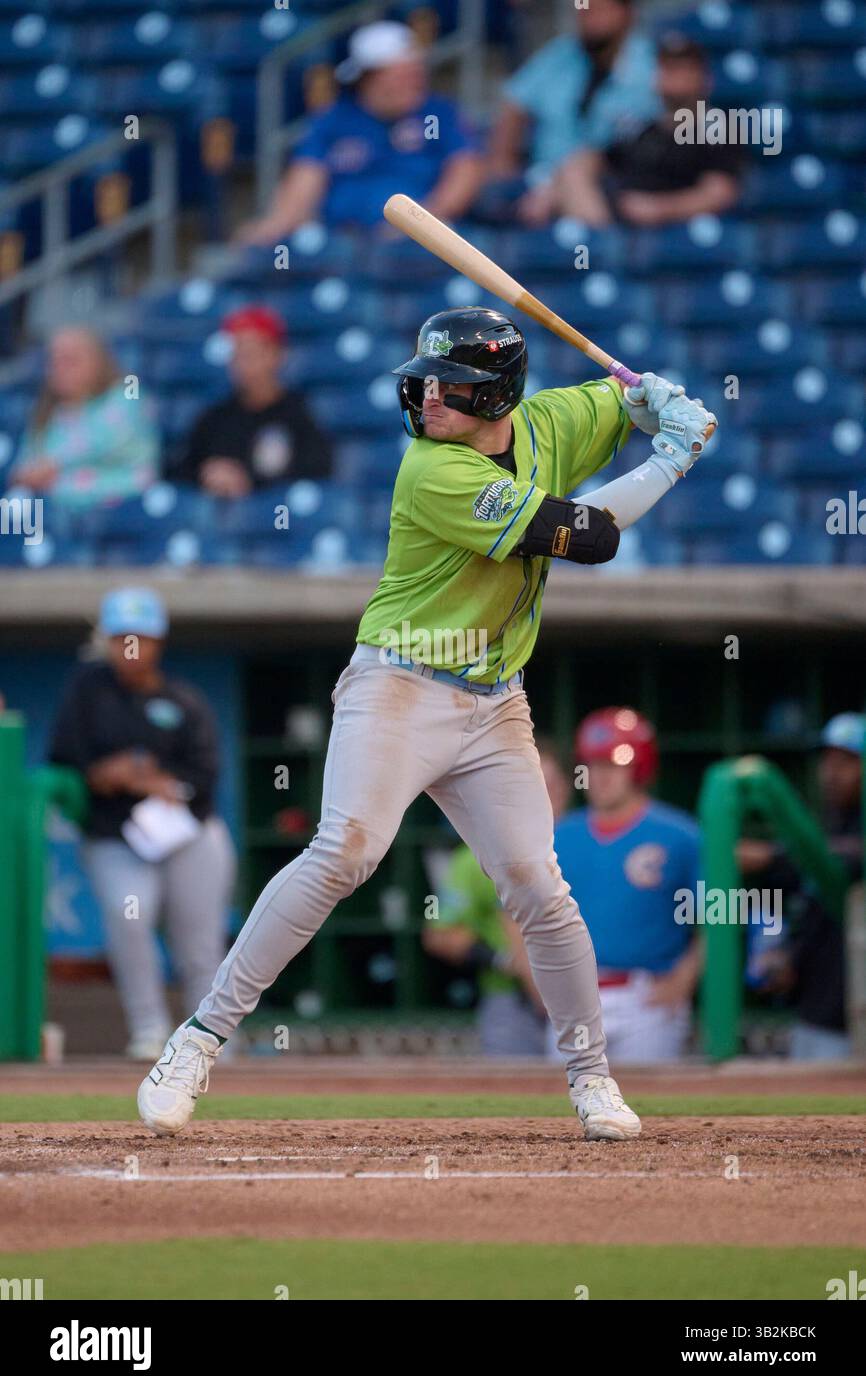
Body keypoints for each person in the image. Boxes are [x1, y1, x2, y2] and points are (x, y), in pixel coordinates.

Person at [137, 305, 716, 1141]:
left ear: (502, 396)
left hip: (494, 701)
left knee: (540, 889)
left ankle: (592, 1076)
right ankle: (197, 1040)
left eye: (457, 387)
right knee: (346, 849)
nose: (433, 397)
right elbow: (586, 536)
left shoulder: (553, 419)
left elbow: (615, 404)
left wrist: (650, 398)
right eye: (430, 381)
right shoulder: (432, 471)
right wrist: (674, 455)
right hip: (399, 684)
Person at [49, 588, 236, 1060]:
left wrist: (157, 781)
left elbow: (204, 779)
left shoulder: (183, 700)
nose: (131, 648)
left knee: (199, 940)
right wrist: (107, 774)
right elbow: (64, 759)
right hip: (115, 836)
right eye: (121, 638)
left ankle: (207, 1037)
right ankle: (151, 1030)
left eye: (141, 638)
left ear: (159, 642)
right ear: (107, 641)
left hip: (186, 833)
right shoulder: (87, 691)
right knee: (130, 921)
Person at [238, 21, 483, 243]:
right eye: (402, 75)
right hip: (342, 240)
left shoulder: (440, 114)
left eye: (416, 73)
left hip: (423, 241)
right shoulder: (333, 120)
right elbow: (305, 181)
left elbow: (463, 173)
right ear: (367, 78)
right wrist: (275, 225)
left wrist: (422, 225)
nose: (414, 82)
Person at [552, 708, 702, 1063]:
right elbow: (515, 917)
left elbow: (723, 916)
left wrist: (684, 978)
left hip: (646, 998)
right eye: (593, 764)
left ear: (639, 768)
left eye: (615, 764)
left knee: (648, 1110)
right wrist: (537, 987)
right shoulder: (558, 837)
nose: (601, 776)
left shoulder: (680, 834)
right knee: (564, 1111)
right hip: (572, 999)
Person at [424, 743, 572, 1056]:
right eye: (534, 786)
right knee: (516, 1094)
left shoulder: (586, 845)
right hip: (511, 1001)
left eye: (552, 786)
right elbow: (439, 934)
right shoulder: (476, 855)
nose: (544, 797)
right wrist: (504, 960)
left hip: (589, 994)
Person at [738, 713, 864, 1061]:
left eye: (849, 761)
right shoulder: (825, 823)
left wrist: (771, 856)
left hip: (851, 1018)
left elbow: (849, 857)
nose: (833, 772)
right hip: (814, 1011)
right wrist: (782, 954)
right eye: (828, 761)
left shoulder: (834, 838)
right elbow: (791, 903)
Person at [485, 0, 658, 225]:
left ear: (627, 14)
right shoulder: (560, 55)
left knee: (576, 177)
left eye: (601, 10)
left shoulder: (649, 65)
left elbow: (639, 141)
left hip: (616, 181)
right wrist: (503, 163)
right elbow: (515, 103)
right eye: (585, 11)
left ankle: (604, 253)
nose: (591, 19)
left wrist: (558, 186)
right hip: (540, 179)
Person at [559, 34, 744, 228]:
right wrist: (553, 189)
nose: (674, 77)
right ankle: (605, 247)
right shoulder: (643, 128)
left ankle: (606, 250)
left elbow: (719, 193)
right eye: (667, 68)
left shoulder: (718, 127)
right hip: (620, 220)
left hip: (677, 233)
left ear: (705, 78)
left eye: (683, 69)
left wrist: (658, 208)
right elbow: (600, 159)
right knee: (572, 171)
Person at [171, 305, 332, 497]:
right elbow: (181, 472)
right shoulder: (215, 418)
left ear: (276, 355)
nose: (243, 364)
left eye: (252, 353)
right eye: (237, 354)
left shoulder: (299, 414)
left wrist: (248, 481)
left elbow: (315, 474)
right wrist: (206, 475)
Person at [10, 327, 158, 509]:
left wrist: (54, 466)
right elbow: (27, 462)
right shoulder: (47, 411)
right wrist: (24, 475)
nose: (60, 369)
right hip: (55, 512)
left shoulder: (127, 393)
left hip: (121, 507)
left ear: (98, 362)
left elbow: (115, 441)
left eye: (70, 361)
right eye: (53, 361)